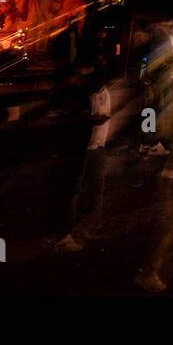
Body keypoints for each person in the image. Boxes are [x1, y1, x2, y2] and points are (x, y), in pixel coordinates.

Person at [54, 63, 113, 252]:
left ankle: (90, 225)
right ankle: (64, 235)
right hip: (83, 148)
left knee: (94, 188)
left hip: (96, 147)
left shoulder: (99, 91)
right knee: (74, 190)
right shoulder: (79, 93)